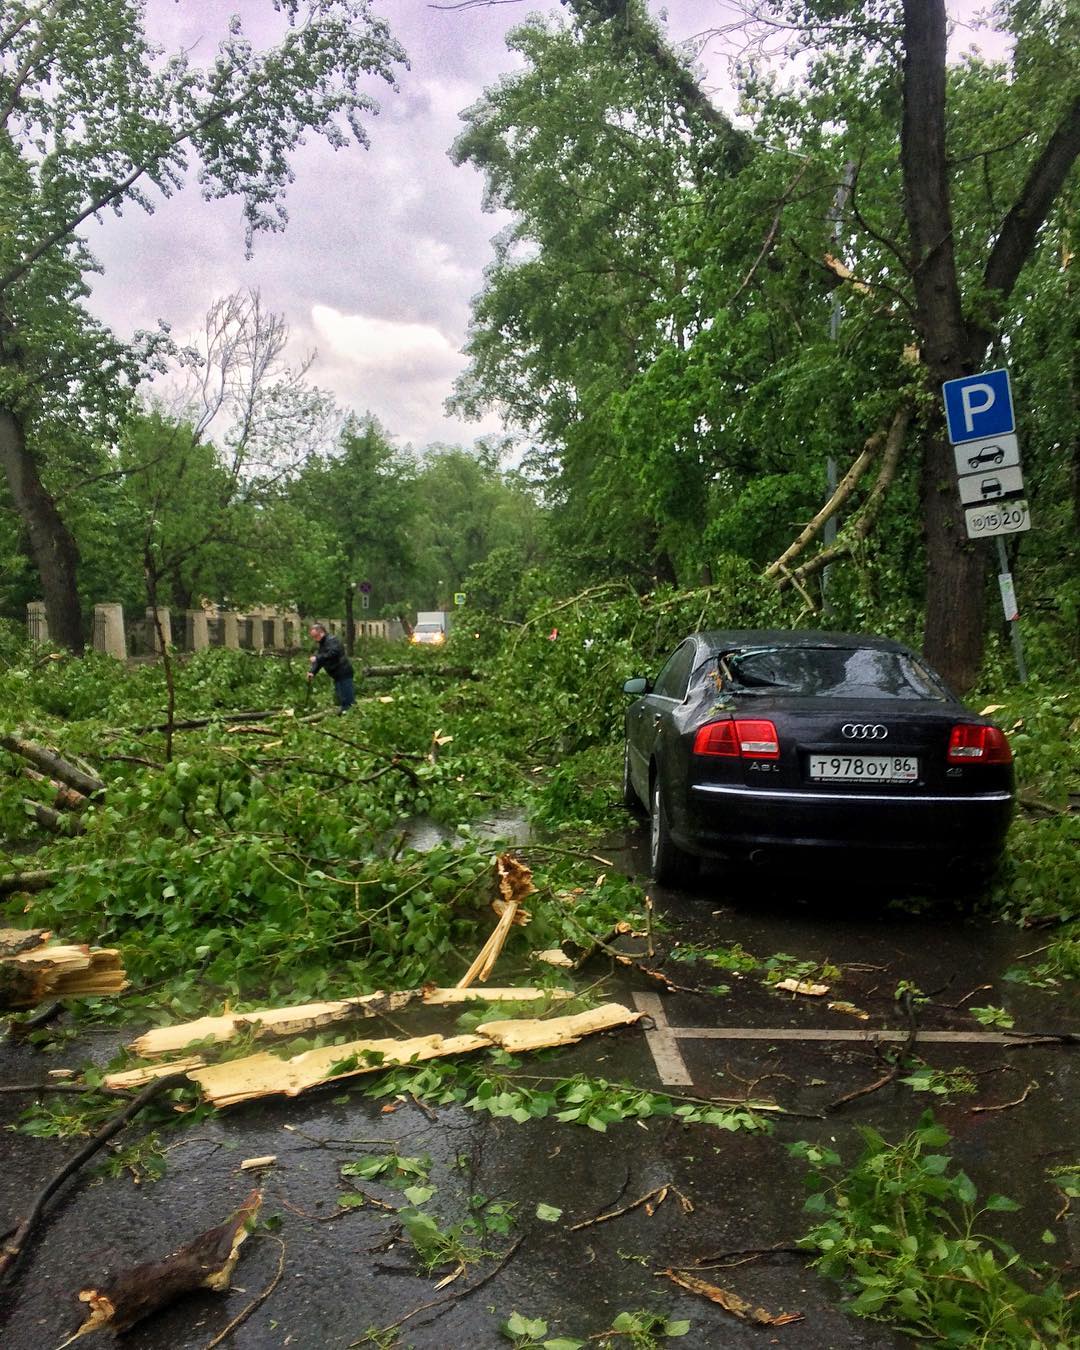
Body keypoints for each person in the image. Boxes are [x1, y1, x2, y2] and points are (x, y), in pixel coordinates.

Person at [306, 622, 355, 712]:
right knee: (341, 697)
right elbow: (320, 661)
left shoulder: (332, 640)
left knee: (347, 699)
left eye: (315, 636)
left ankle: (352, 715)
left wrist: (317, 657)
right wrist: (312, 672)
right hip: (337, 675)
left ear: (321, 632)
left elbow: (333, 653)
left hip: (343, 672)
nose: (315, 639)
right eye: (313, 637)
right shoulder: (322, 644)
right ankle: (346, 714)